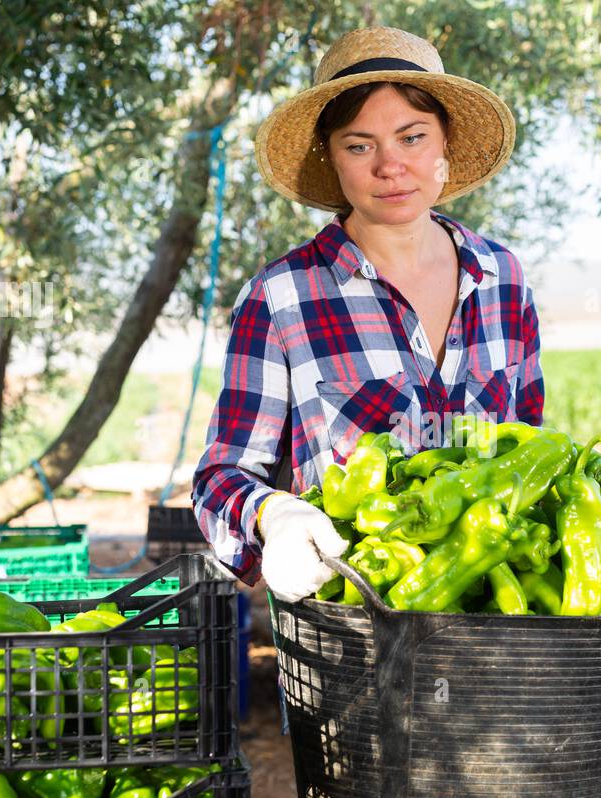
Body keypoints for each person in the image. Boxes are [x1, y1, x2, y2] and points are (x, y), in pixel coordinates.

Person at [192, 26, 544, 603]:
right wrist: (275, 515)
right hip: (354, 630)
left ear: (445, 145)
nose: (389, 166)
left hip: (497, 627)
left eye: (412, 137)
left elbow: (531, 448)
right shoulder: (281, 297)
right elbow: (221, 477)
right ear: (331, 158)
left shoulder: (504, 279)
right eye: (359, 145)